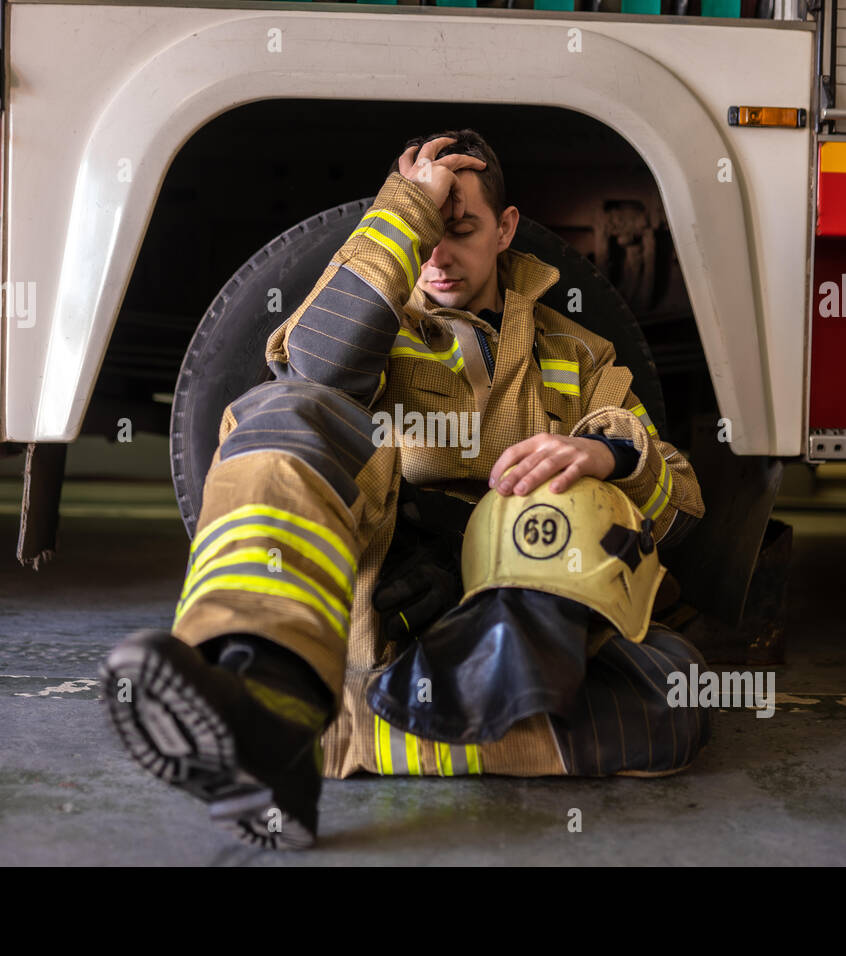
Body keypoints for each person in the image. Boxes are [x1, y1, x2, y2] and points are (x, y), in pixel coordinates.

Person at [102, 130, 710, 850]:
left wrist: (606, 452)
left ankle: (298, 738)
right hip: (368, 614)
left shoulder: (578, 355)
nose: (438, 258)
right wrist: (404, 210)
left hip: (514, 630)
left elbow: (682, 510)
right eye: (425, 234)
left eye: (461, 230)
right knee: (287, 408)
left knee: (676, 699)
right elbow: (315, 368)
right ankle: (263, 674)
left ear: (506, 228)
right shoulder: (375, 332)